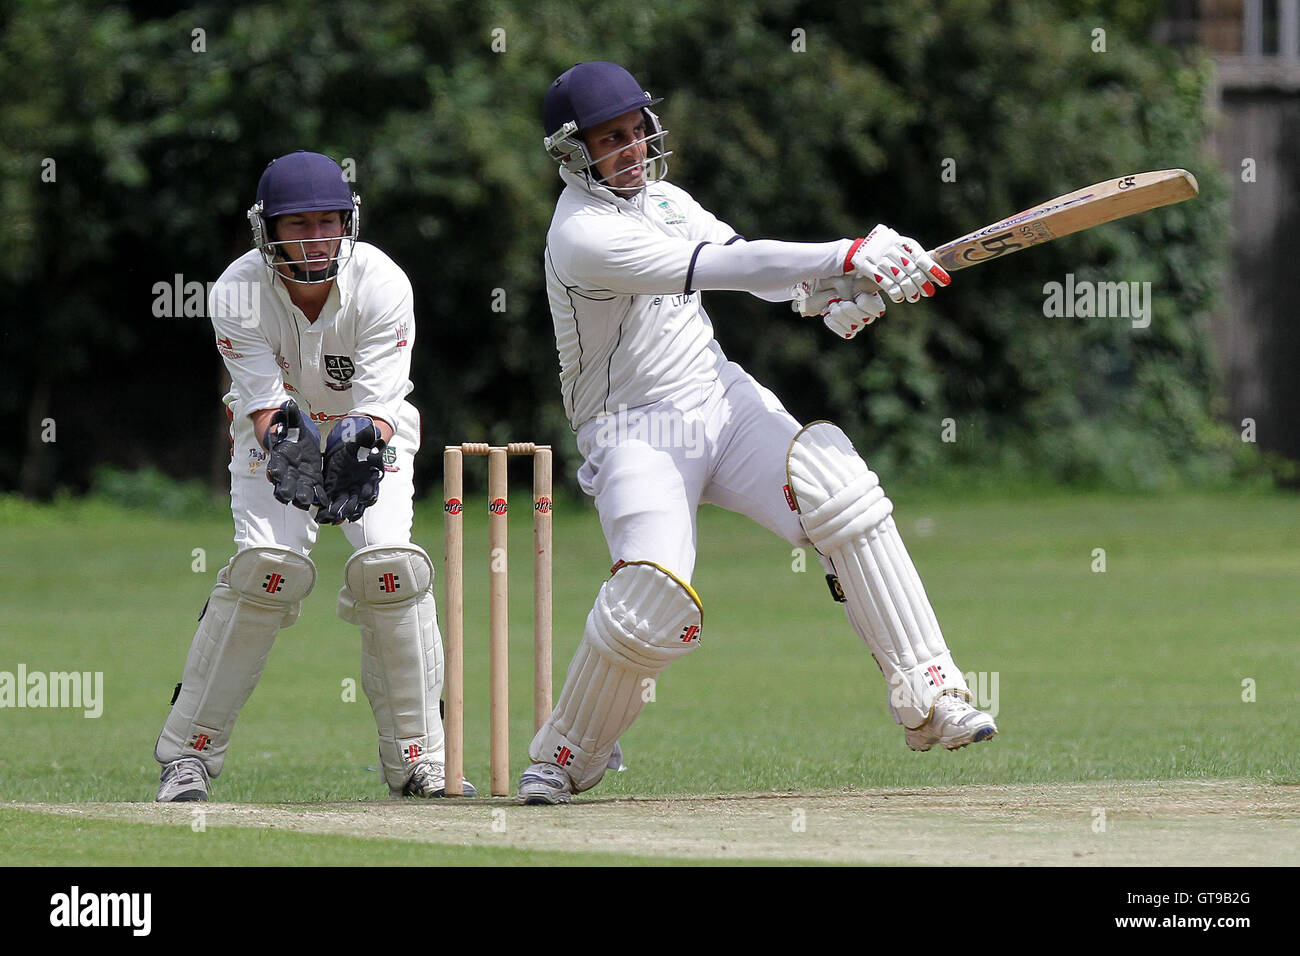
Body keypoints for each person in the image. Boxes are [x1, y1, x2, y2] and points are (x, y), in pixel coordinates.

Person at [518, 62, 995, 805]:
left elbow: (764, 271)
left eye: (637, 129)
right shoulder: (581, 235)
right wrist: (846, 254)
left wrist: (834, 293)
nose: (631, 148)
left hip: (721, 399)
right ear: (572, 153)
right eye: (610, 138)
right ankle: (567, 752)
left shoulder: (668, 201)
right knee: (651, 599)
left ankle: (930, 694)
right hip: (634, 431)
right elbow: (723, 269)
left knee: (837, 487)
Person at [153, 150, 474, 801]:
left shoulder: (383, 282)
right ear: (266, 229)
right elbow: (264, 404)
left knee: (391, 570)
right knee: (264, 572)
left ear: (347, 222)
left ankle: (420, 758)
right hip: (275, 435)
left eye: (328, 222)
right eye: (298, 225)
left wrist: (360, 443)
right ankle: (187, 754)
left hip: (368, 433)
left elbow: (380, 409)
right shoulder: (238, 288)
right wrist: (288, 442)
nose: (316, 237)